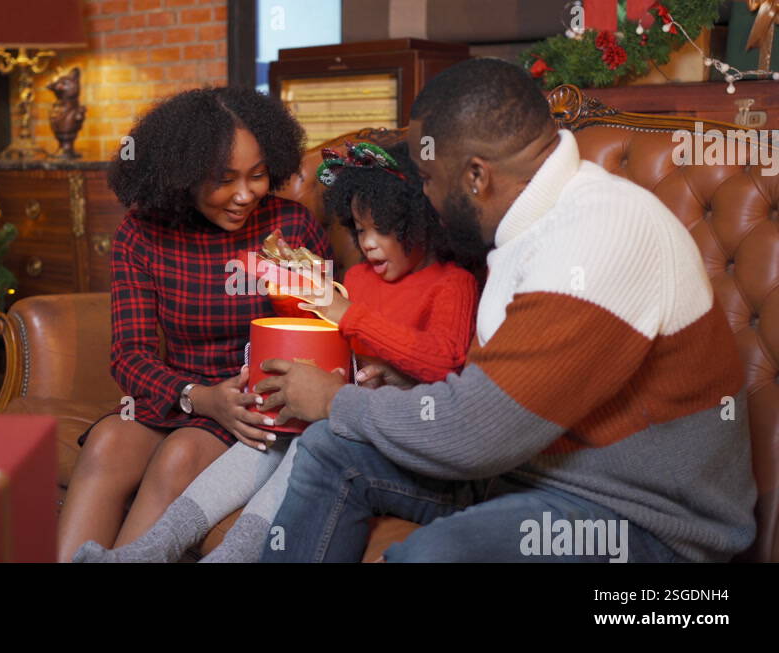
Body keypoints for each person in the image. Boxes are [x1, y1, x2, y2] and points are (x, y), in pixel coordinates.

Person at [255, 58, 758, 563]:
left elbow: (477, 432)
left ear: (476, 175)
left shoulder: (599, 234)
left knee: (434, 555)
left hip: (640, 516)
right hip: (522, 471)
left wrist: (334, 400)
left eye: (428, 178)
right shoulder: (529, 224)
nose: (424, 197)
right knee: (331, 449)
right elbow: (498, 396)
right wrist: (404, 394)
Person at [73, 141, 480, 563]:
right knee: (265, 442)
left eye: (385, 229)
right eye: (359, 230)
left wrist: (350, 320)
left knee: (313, 446)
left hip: (376, 429)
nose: (369, 243)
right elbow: (327, 343)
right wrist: (294, 296)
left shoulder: (452, 284)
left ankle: (231, 555)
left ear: (422, 222)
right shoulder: (357, 277)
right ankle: (147, 551)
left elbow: (443, 360)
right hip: (327, 411)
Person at [58, 86, 333, 562]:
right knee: (106, 442)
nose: (244, 194)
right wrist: (196, 396)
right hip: (178, 394)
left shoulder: (291, 226)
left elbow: (326, 332)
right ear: (182, 175)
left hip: (251, 405)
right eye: (223, 180)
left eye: (259, 175)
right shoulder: (141, 233)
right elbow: (129, 355)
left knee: (181, 452)